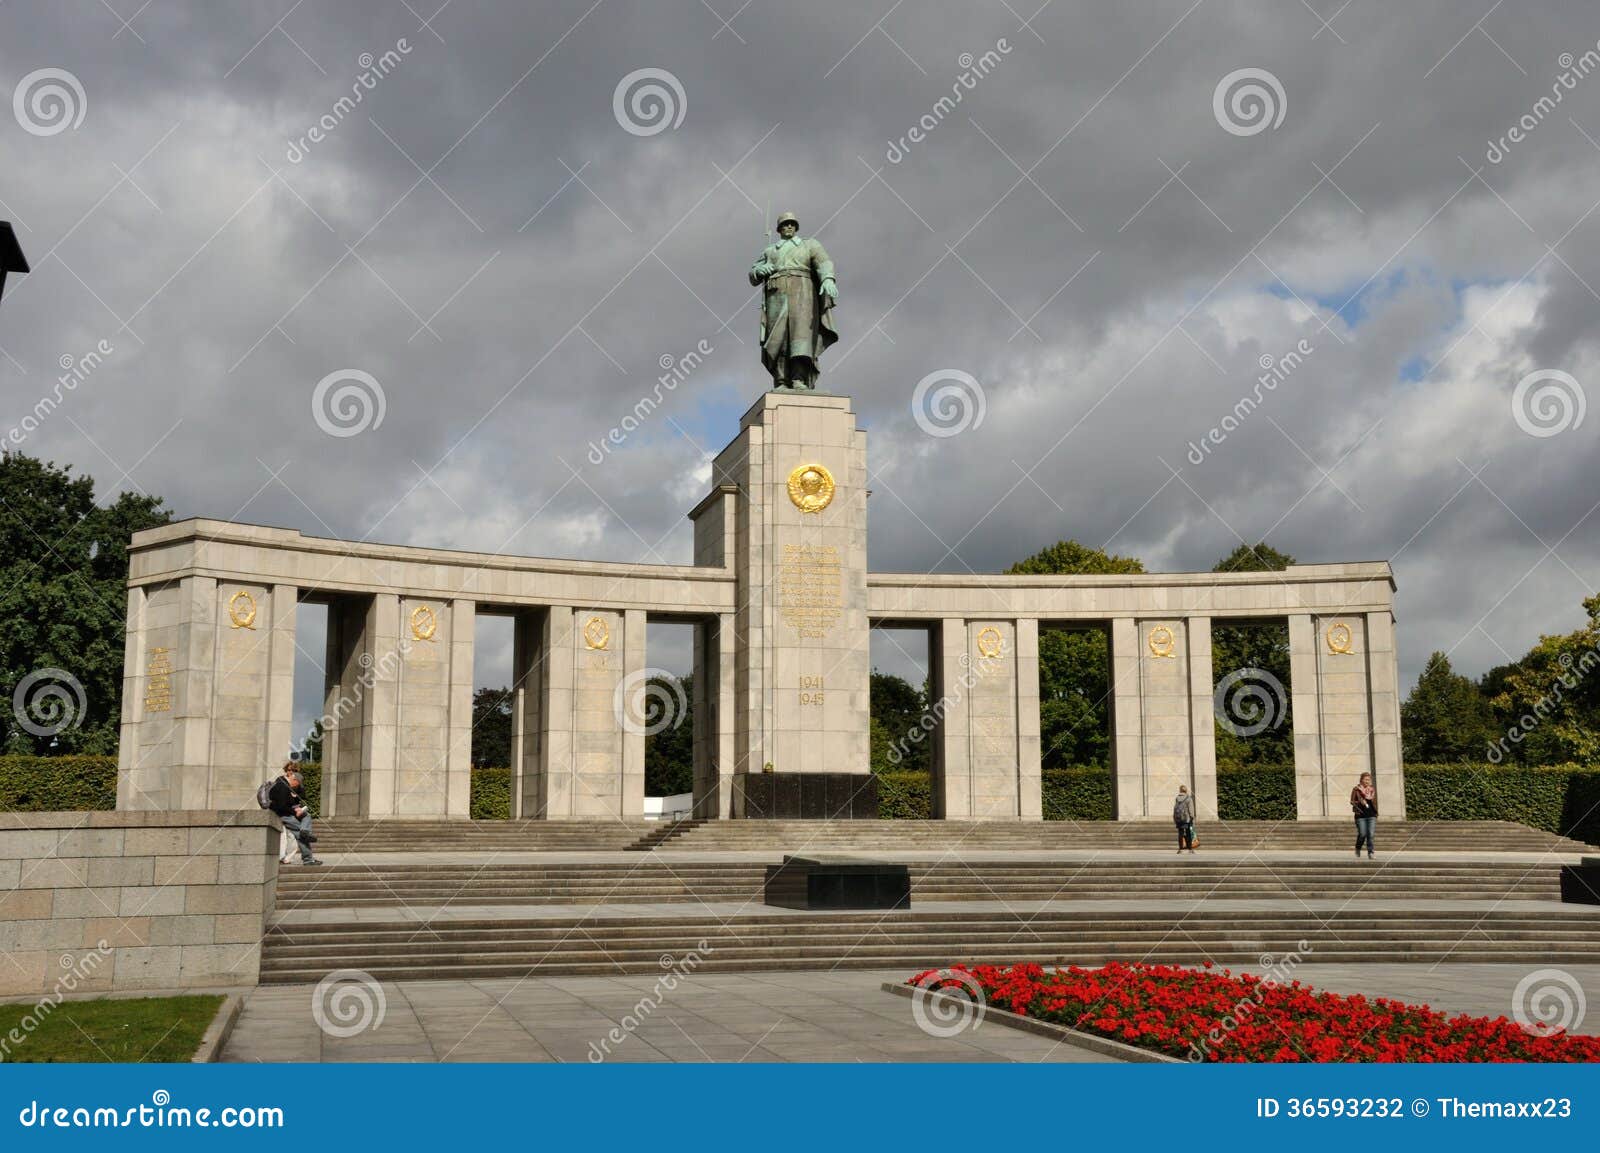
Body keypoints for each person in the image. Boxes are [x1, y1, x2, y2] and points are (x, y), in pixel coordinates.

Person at [268, 763, 322, 866]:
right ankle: (308, 857)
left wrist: (296, 804)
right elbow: (281, 806)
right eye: (297, 784)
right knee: (300, 834)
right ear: (294, 780)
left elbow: (286, 802)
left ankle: (305, 833)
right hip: (282, 815)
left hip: (284, 813)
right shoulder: (283, 786)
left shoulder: (285, 786)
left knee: (305, 821)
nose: (297, 786)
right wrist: (295, 811)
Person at [1350, 772, 1378, 859]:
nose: (1367, 781)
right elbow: (1352, 801)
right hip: (1360, 816)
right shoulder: (1356, 789)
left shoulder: (1372, 790)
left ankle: (1371, 852)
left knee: (1371, 834)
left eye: (1369, 779)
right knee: (1362, 834)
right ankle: (1358, 848)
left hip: (1371, 815)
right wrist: (1360, 802)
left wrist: (1376, 812)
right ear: (1361, 780)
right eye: (1366, 779)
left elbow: (1374, 802)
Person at [1173, 784, 1197, 854]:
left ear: (1180, 790)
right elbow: (1191, 809)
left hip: (1179, 818)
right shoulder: (1188, 798)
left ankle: (1180, 849)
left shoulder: (1177, 798)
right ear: (1186, 790)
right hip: (1187, 819)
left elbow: (1175, 808)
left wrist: (1174, 818)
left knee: (1180, 833)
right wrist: (1192, 817)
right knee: (1188, 833)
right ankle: (1190, 849)